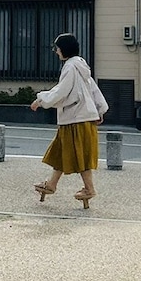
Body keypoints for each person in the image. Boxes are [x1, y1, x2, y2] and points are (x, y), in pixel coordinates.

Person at [29, 32, 109, 207]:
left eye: (57, 48)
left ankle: (89, 189)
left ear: (63, 49)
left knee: (77, 154)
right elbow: (92, 88)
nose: (56, 51)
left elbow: (61, 91)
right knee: (62, 152)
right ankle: (51, 185)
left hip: (74, 118)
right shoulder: (81, 65)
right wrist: (100, 108)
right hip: (83, 116)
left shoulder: (70, 67)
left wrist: (41, 100)